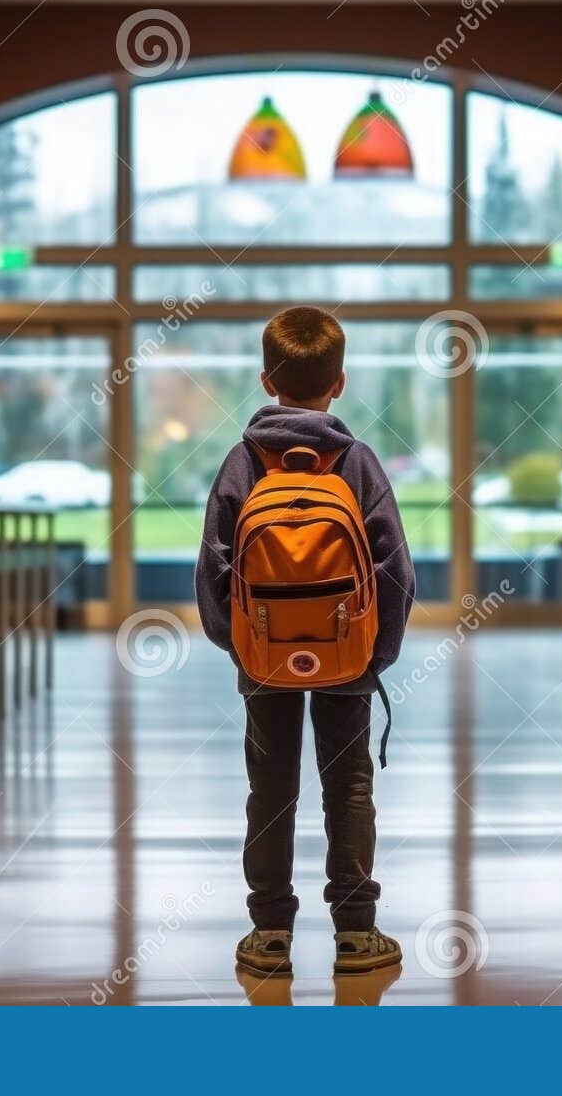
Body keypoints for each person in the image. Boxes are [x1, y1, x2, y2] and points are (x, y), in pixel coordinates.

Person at [195, 305, 415, 976]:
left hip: (264, 656)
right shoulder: (357, 462)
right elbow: (395, 571)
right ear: (339, 383)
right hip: (348, 655)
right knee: (348, 783)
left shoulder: (243, 463)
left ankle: (269, 934)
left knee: (270, 786)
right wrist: (375, 654)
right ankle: (356, 932)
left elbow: (214, 568)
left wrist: (240, 645)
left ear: (267, 380)